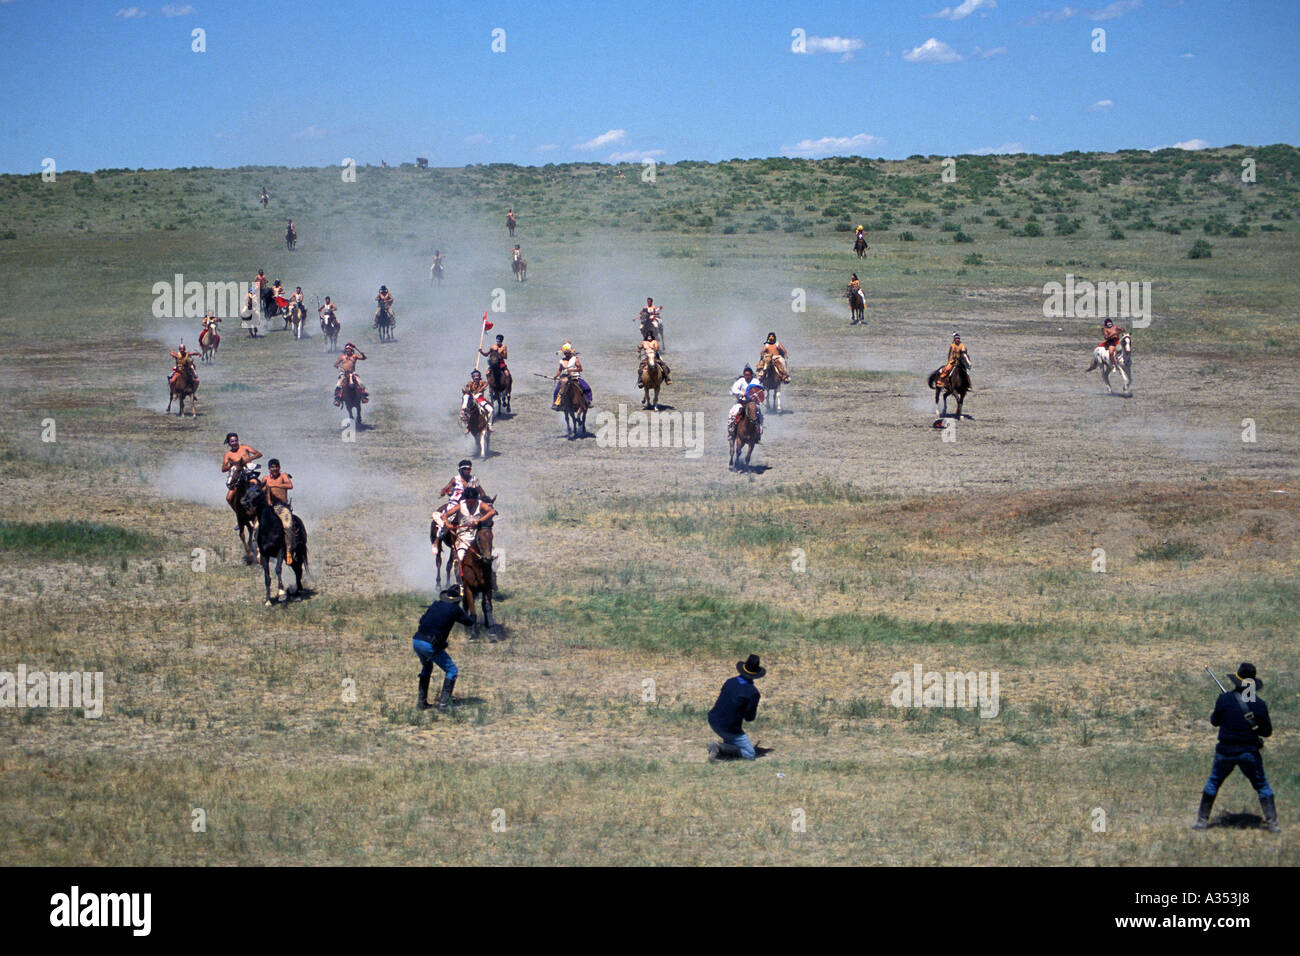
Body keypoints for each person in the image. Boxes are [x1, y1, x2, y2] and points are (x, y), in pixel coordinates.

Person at [1195, 663, 1278, 832]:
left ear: (1237, 680)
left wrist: (1224, 705)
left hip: (1226, 751)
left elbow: (1214, 721)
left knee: (1213, 783)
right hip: (1249, 752)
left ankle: (1202, 822)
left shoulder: (1224, 700)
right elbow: (1267, 732)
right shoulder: (1259, 704)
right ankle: (1272, 823)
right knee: (1262, 785)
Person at [411, 585, 474, 711]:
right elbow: (469, 622)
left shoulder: (435, 604)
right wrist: (473, 612)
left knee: (427, 666)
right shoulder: (455, 609)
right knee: (452, 670)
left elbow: (423, 620)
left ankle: (421, 702)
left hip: (416, 641)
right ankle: (443, 704)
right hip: (429, 645)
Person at [707, 655, 766, 761]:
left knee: (730, 737)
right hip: (729, 727)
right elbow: (749, 718)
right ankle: (719, 747)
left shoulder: (730, 681)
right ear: (756, 675)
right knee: (750, 754)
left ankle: (725, 748)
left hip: (713, 719)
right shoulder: (752, 692)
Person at [432, 459, 491, 544]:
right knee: (448, 519)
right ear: (460, 470)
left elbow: (482, 492)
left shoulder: (474, 479)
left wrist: (483, 499)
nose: (468, 471)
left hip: (471, 504)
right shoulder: (455, 479)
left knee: (482, 519)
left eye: (469, 469)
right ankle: (439, 536)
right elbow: (446, 488)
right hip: (455, 504)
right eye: (465, 469)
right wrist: (444, 491)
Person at [446, 486, 496, 582]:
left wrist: (479, 520)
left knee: (494, 555)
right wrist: (448, 524)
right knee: (459, 558)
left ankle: (492, 580)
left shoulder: (480, 504)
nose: (471, 502)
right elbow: (445, 515)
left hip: (479, 534)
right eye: (469, 500)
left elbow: (492, 511)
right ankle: (460, 584)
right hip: (464, 536)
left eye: (472, 500)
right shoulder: (460, 505)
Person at [263, 458, 296, 565]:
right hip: (269, 508)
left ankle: (288, 551)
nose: (275, 469)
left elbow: (290, 486)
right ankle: (260, 550)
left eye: (276, 466)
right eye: (272, 467)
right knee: (257, 526)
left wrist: (275, 485)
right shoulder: (265, 478)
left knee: (287, 526)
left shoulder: (283, 476)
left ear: (279, 467)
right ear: (269, 468)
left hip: (282, 508)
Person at [221, 432, 262, 506]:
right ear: (229, 443)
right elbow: (223, 468)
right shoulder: (228, 454)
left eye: (236, 440)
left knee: (256, 485)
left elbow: (259, 454)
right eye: (232, 441)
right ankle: (238, 512)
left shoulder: (245, 447)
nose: (234, 443)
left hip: (248, 473)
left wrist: (247, 460)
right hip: (237, 476)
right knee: (228, 498)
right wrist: (233, 465)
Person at [728, 366, 764, 440]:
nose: (747, 377)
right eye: (746, 375)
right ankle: (731, 430)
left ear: (751, 375)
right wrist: (742, 393)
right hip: (741, 402)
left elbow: (759, 390)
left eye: (749, 375)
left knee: (759, 415)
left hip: (752, 403)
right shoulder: (740, 381)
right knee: (733, 413)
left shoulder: (755, 381)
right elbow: (734, 389)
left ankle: (758, 431)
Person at [552, 342, 592, 407]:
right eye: (565, 353)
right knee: (557, 390)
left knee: (586, 387)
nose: (567, 354)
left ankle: (588, 401)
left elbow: (580, 369)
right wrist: (556, 376)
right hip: (564, 378)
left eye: (568, 352)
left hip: (575, 376)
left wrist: (571, 370)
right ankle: (556, 404)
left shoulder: (575, 359)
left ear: (570, 352)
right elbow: (560, 369)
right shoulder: (561, 361)